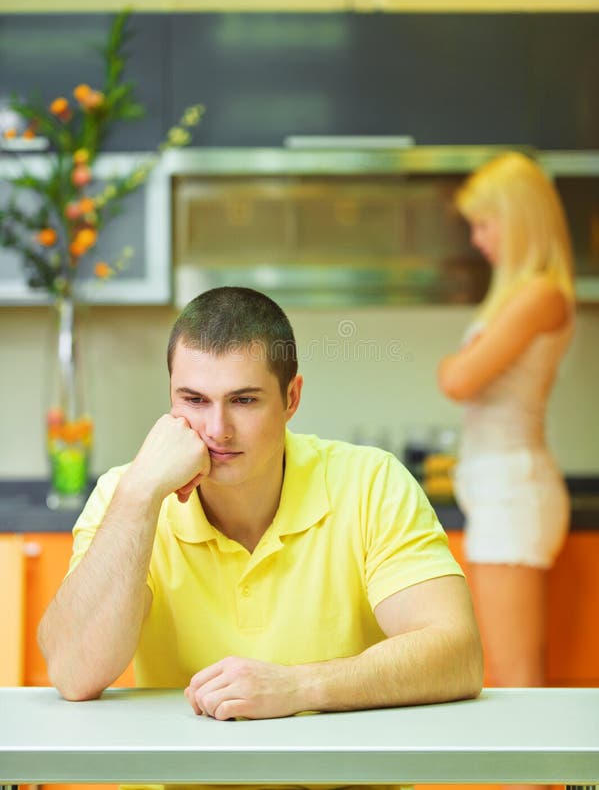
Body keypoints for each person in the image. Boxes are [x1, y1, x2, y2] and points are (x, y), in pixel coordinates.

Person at [39, 286, 482, 734]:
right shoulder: (126, 495)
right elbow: (73, 674)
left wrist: (299, 687)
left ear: (291, 398)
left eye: (244, 400)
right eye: (194, 400)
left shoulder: (372, 483)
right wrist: (139, 495)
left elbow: (457, 655)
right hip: (183, 770)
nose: (217, 430)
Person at [438, 152, 575, 694]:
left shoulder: (540, 294)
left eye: (484, 223)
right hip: (504, 490)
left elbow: (458, 379)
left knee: (517, 684)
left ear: (517, 220)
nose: (477, 239)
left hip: (512, 493)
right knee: (512, 679)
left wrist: (451, 365)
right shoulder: (527, 295)